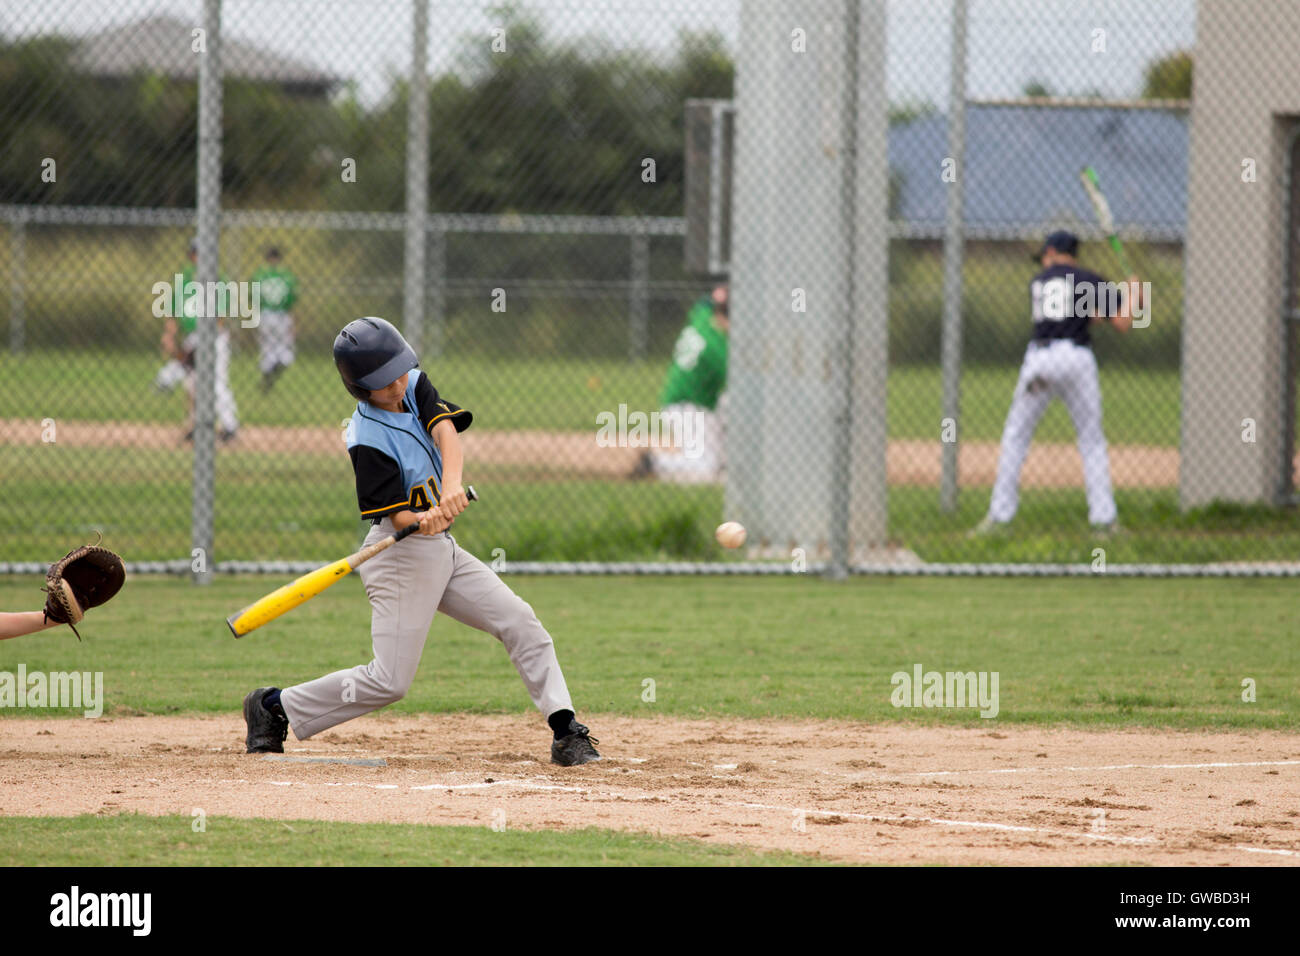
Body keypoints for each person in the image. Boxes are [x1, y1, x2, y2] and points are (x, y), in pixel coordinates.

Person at [241, 316, 601, 766]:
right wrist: (425, 519)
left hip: (442, 551)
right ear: (359, 388)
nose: (396, 385)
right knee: (389, 681)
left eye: (397, 372)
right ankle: (274, 706)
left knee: (520, 621)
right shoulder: (365, 438)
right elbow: (400, 517)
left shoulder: (413, 384)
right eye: (382, 382)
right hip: (400, 556)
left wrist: (452, 485)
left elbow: (445, 430)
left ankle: (566, 730)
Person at [975, 230, 1142, 535]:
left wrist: (1124, 300)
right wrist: (1133, 296)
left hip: (1040, 359)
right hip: (1076, 359)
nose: (1043, 262)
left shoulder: (1039, 282)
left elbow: (1078, 314)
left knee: (1016, 437)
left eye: (1045, 256)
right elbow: (1123, 322)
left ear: (1052, 252)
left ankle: (1000, 517)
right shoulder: (1091, 280)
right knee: (1091, 440)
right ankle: (1103, 521)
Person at [634, 284, 729, 483]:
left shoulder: (703, 316)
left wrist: (720, 293)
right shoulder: (719, 348)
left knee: (730, 404)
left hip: (697, 403)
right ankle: (654, 463)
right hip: (688, 410)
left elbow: (705, 301)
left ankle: (730, 458)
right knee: (707, 469)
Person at [157, 238, 240, 444]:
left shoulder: (218, 278)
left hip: (214, 338)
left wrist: (205, 341)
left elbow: (221, 315)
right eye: (195, 254)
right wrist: (169, 335)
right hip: (193, 337)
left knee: (217, 382)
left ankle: (230, 427)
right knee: (192, 383)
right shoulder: (184, 278)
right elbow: (173, 310)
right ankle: (195, 426)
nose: (198, 258)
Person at [249, 246, 299, 392]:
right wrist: (294, 322)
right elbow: (292, 301)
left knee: (267, 347)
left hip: (265, 315)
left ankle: (267, 374)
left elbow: (254, 299)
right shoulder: (287, 276)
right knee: (285, 348)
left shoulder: (259, 275)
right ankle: (278, 365)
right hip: (282, 315)